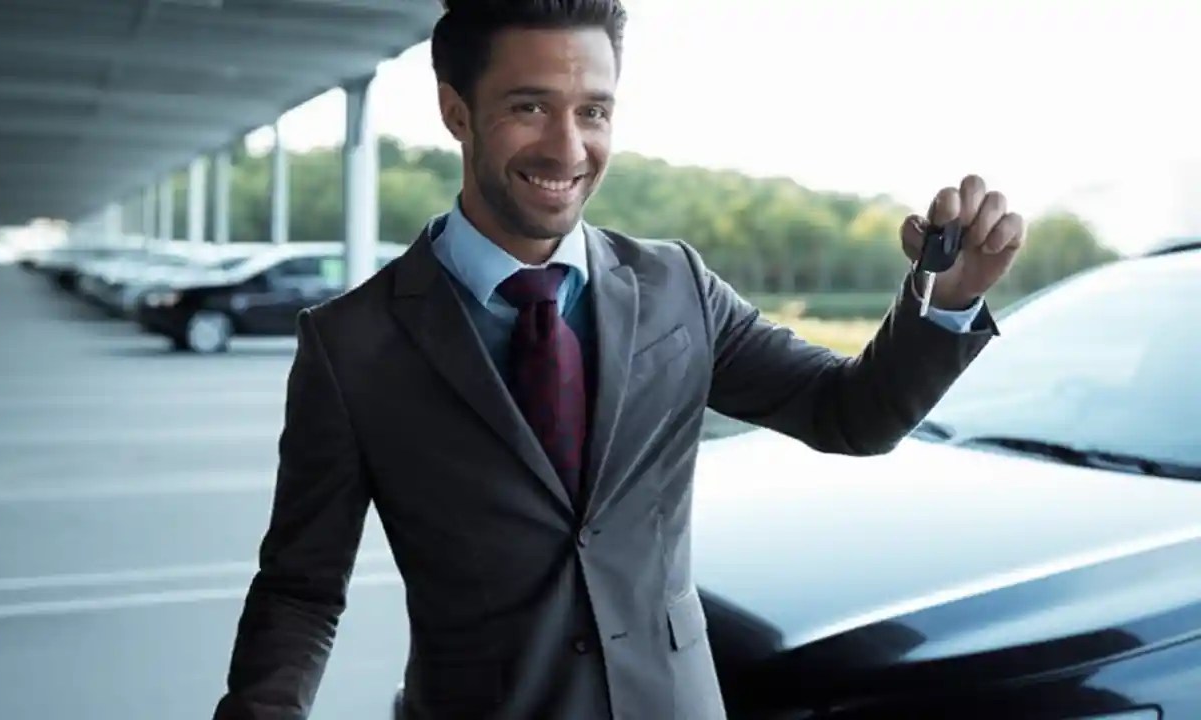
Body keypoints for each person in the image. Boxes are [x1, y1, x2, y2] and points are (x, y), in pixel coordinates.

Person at [212, 1, 1026, 718]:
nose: (567, 147)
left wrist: (946, 301)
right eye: (530, 106)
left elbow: (851, 416)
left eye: (593, 111)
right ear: (456, 112)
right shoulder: (352, 343)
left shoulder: (679, 286)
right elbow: (300, 592)